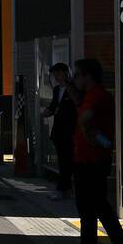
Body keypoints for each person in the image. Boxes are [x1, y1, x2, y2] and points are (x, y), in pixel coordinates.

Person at [56, 58, 123, 244]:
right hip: (90, 160)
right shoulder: (92, 95)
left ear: (88, 75)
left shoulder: (97, 95)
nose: (76, 78)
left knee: (90, 208)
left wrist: (90, 134)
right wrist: (68, 86)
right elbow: (80, 105)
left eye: (78, 75)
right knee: (97, 207)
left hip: (91, 161)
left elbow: (86, 116)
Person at [42, 63, 77, 199]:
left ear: (66, 73)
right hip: (59, 130)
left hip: (70, 130)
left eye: (58, 73)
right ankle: (65, 189)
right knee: (63, 161)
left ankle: (64, 188)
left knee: (68, 161)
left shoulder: (73, 88)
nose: (56, 77)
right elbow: (53, 106)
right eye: (54, 74)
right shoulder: (57, 90)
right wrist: (47, 112)